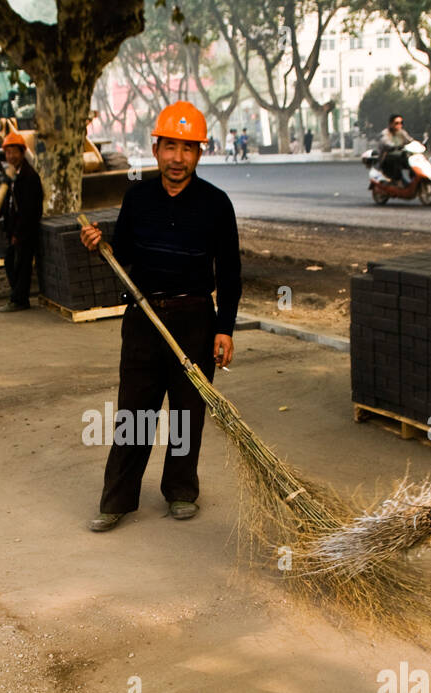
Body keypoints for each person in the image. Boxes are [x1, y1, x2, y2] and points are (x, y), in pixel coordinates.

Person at [79, 101, 242, 532]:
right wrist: (99, 243)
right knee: (136, 410)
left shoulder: (216, 204)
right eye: (170, 146)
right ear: (156, 150)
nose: (178, 158)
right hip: (144, 317)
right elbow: (125, 253)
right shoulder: (138, 198)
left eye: (188, 148)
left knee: (188, 411)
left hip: (194, 317)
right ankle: (117, 500)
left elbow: (229, 273)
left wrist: (224, 327)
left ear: (199, 154)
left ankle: (181, 490)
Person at [0, 131, 43, 312]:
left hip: (25, 230)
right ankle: (17, 297)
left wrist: (19, 233)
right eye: (8, 153)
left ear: (22, 153)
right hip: (14, 229)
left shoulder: (29, 177)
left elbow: (29, 209)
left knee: (21, 265)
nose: (11, 156)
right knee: (11, 262)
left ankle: (19, 300)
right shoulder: (13, 176)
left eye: (14, 152)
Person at [378, 114, 412, 183]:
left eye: (401, 123)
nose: (399, 125)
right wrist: (394, 146)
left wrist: (418, 144)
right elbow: (385, 142)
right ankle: (398, 181)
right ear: (390, 124)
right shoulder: (385, 133)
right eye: (396, 123)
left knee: (413, 162)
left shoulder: (402, 132)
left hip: (400, 156)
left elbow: (409, 140)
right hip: (387, 158)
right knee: (396, 161)